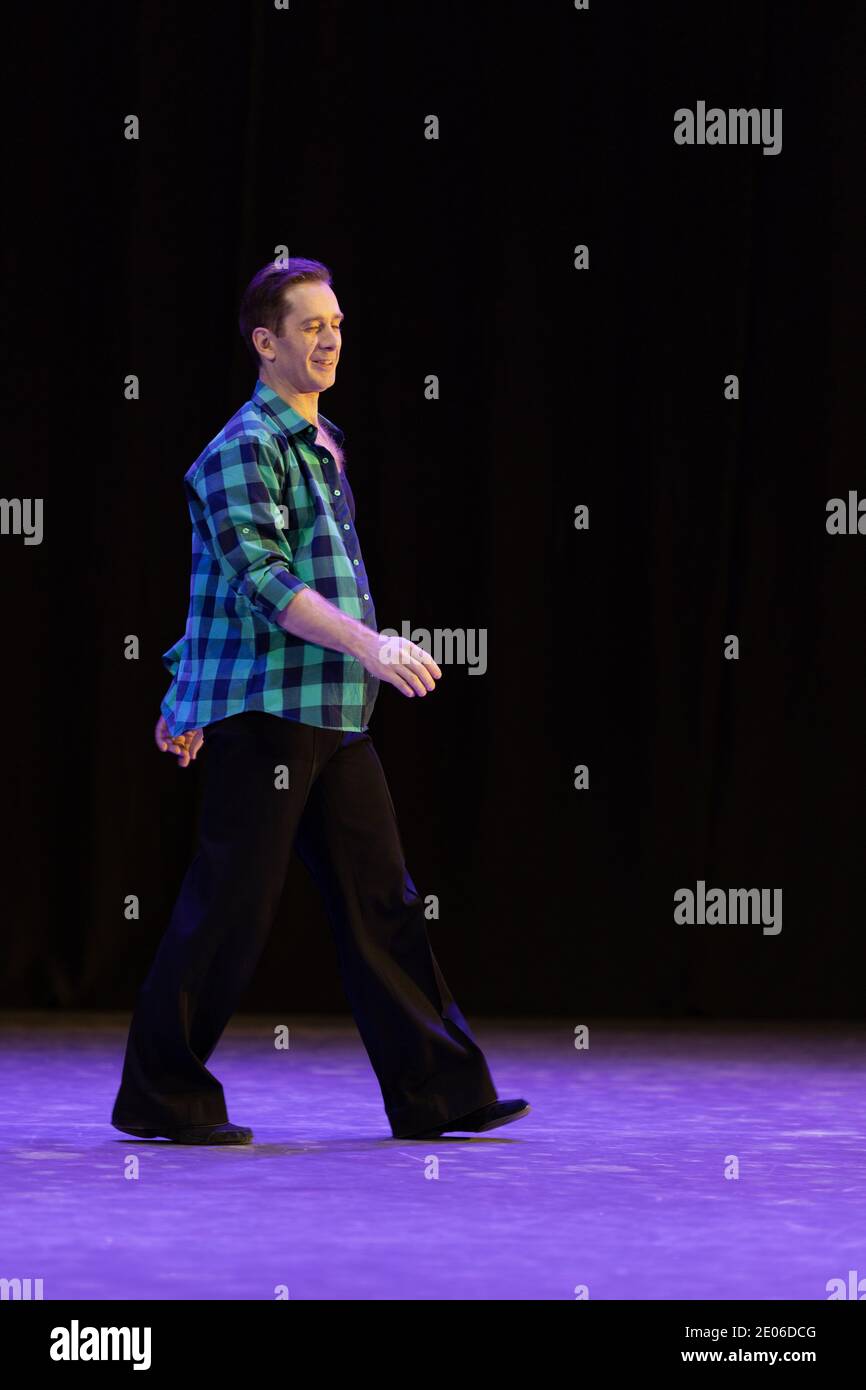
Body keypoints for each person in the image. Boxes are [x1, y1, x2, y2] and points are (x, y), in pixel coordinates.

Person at [111, 256, 529, 1145]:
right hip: (268, 709)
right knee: (231, 904)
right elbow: (255, 582)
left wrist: (354, 661)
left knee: (384, 900)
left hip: (336, 713)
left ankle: (438, 1092)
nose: (330, 336)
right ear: (265, 343)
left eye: (336, 321)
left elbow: (222, 594)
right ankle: (160, 1093)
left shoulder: (323, 440)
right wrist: (366, 647)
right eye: (310, 325)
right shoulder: (241, 450)